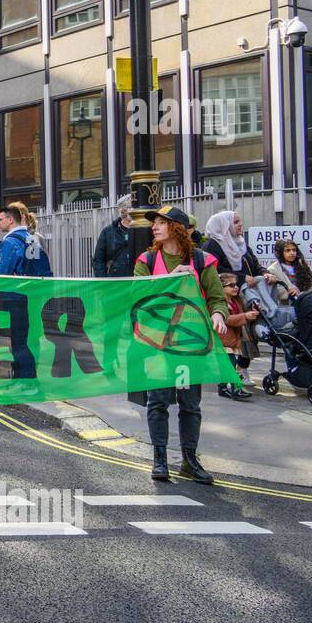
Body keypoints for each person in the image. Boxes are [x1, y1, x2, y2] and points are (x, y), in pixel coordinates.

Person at [134, 206, 229, 483]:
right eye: (154, 223)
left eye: (162, 222)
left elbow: (216, 297)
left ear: (177, 227)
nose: (154, 227)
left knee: (190, 403)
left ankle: (189, 459)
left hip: (189, 346)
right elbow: (137, 294)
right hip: (157, 344)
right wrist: (171, 276)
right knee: (158, 400)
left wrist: (218, 315)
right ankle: (160, 459)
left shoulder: (202, 261)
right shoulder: (147, 260)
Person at [217, 273, 258, 401]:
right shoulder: (219, 303)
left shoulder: (236, 300)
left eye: (236, 285)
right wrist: (245, 316)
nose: (236, 288)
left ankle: (223, 387)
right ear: (221, 287)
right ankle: (236, 388)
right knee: (231, 364)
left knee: (228, 365)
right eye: (231, 285)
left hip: (234, 338)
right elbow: (227, 319)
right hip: (223, 338)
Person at [0, 203, 52, 276]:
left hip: (22, 285)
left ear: (10, 220)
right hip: (38, 284)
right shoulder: (31, 238)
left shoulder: (9, 241)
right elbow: (32, 263)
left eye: (0, 219)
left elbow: (2, 273)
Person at [92, 196, 134, 277]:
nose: (134, 211)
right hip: (114, 283)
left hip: (138, 282)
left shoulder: (142, 230)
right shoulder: (107, 232)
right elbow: (98, 260)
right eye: (131, 207)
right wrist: (103, 284)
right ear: (123, 210)